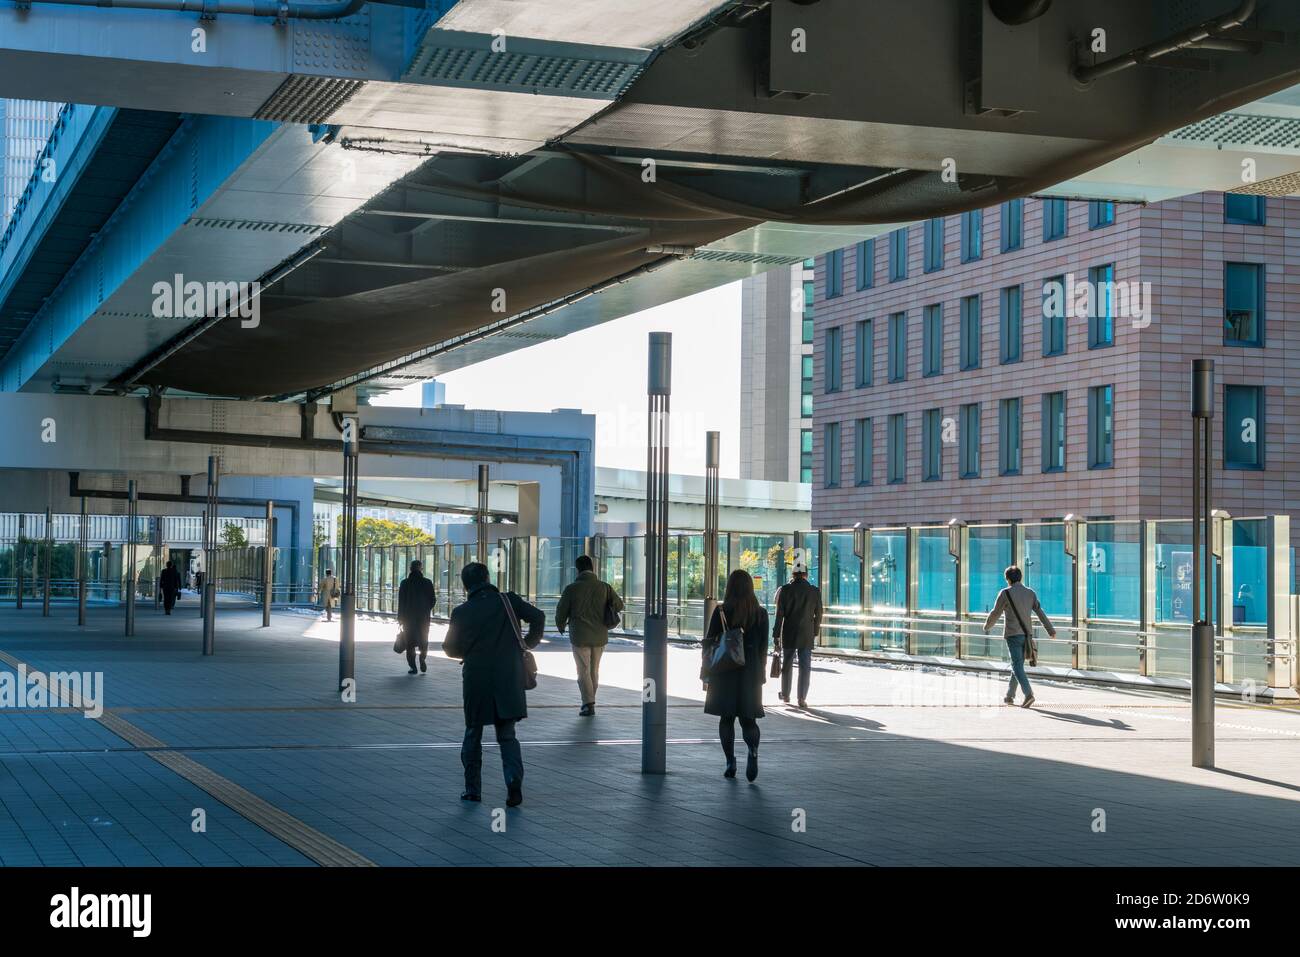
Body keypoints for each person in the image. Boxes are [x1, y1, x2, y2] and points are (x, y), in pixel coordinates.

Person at [442, 562, 545, 806]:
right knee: (507, 735)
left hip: (477, 679)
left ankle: (473, 790)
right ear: (487, 578)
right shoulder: (508, 601)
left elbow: (450, 648)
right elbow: (538, 617)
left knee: (473, 733)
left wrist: (469, 651)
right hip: (508, 677)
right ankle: (513, 782)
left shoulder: (462, 612)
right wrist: (527, 643)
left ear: (465, 585)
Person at [702, 569, 770, 782]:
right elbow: (762, 648)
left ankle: (730, 762)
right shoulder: (760, 613)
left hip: (725, 672)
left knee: (726, 719)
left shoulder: (722, 611)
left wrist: (705, 673)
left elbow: (710, 643)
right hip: (750, 673)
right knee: (749, 720)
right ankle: (753, 751)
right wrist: (760, 674)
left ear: (729, 587)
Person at [554, 554, 624, 716]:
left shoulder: (571, 589)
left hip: (579, 636)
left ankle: (588, 703)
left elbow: (561, 611)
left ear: (577, 569)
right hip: (600, 635)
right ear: (592, 568)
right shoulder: (604, 587)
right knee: (594, 670)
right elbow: (619, 605)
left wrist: (560, 625)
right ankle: (591, 699)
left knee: (583, 670)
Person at [983, 565, 1056, 708]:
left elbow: (995, 612)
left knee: (1016, 665)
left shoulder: (1005, 593)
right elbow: (1040, 612)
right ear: (1020, 577)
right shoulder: (1030, 593)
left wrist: (987, 626)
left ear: (1008, 579)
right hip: (1027, 635)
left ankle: (1028, 694)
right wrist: (1050, 630)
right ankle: (1009, 696)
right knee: (1018, 665)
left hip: (1012, 634)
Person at [772, 558, 823, 708]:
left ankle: (786, 695)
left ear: (793, 574)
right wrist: (815, 631)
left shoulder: (785, 590)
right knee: (805, 666)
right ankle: (801, 698)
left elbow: (779, 614)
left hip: (789, 631)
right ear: (806, 575)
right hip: (807, 633)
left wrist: (776, 634)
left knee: (787, 663)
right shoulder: (814, 591)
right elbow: (819, 613)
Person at [397, 560, 437, 675]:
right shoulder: (427, 582)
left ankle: (413, 667)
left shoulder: (405, 583)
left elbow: (401, 602)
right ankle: (422, 658)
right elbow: (433, 599)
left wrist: (400, 618)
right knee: (424, 640)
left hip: (408, 618)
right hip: (423, 618)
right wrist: (426, 610)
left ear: (410, 569)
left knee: (410, 643)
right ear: (421, 569)